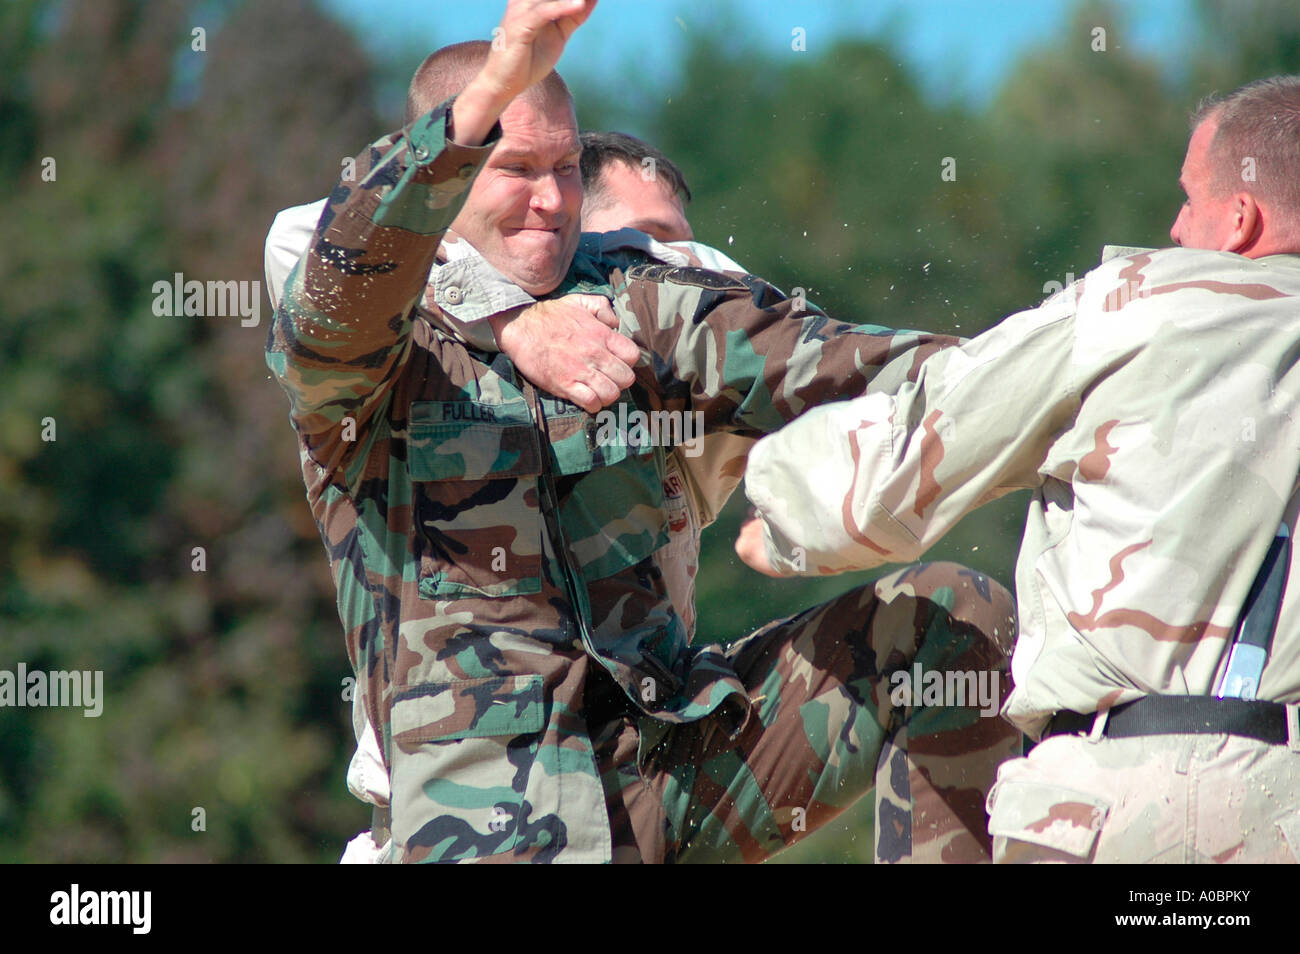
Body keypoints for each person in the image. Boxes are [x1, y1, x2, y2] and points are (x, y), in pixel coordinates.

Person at [267, 0, 1019, 863]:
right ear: (456, 170)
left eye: (566, 169)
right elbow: (344, 274)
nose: (551, 201)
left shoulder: (630, 295)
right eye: (516, 168)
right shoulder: (371, 360)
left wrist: (1069, 364)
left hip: (674, 764)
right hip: (486, 821)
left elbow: (828, 361)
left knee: (948, 623)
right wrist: (498, 79)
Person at [737, 75, 1300, 863]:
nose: (1174, 228)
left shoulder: (1136, 305)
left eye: (1190, 198)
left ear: (1240, 218)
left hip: (1119, 805)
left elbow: (920, 444)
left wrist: (783, 514)